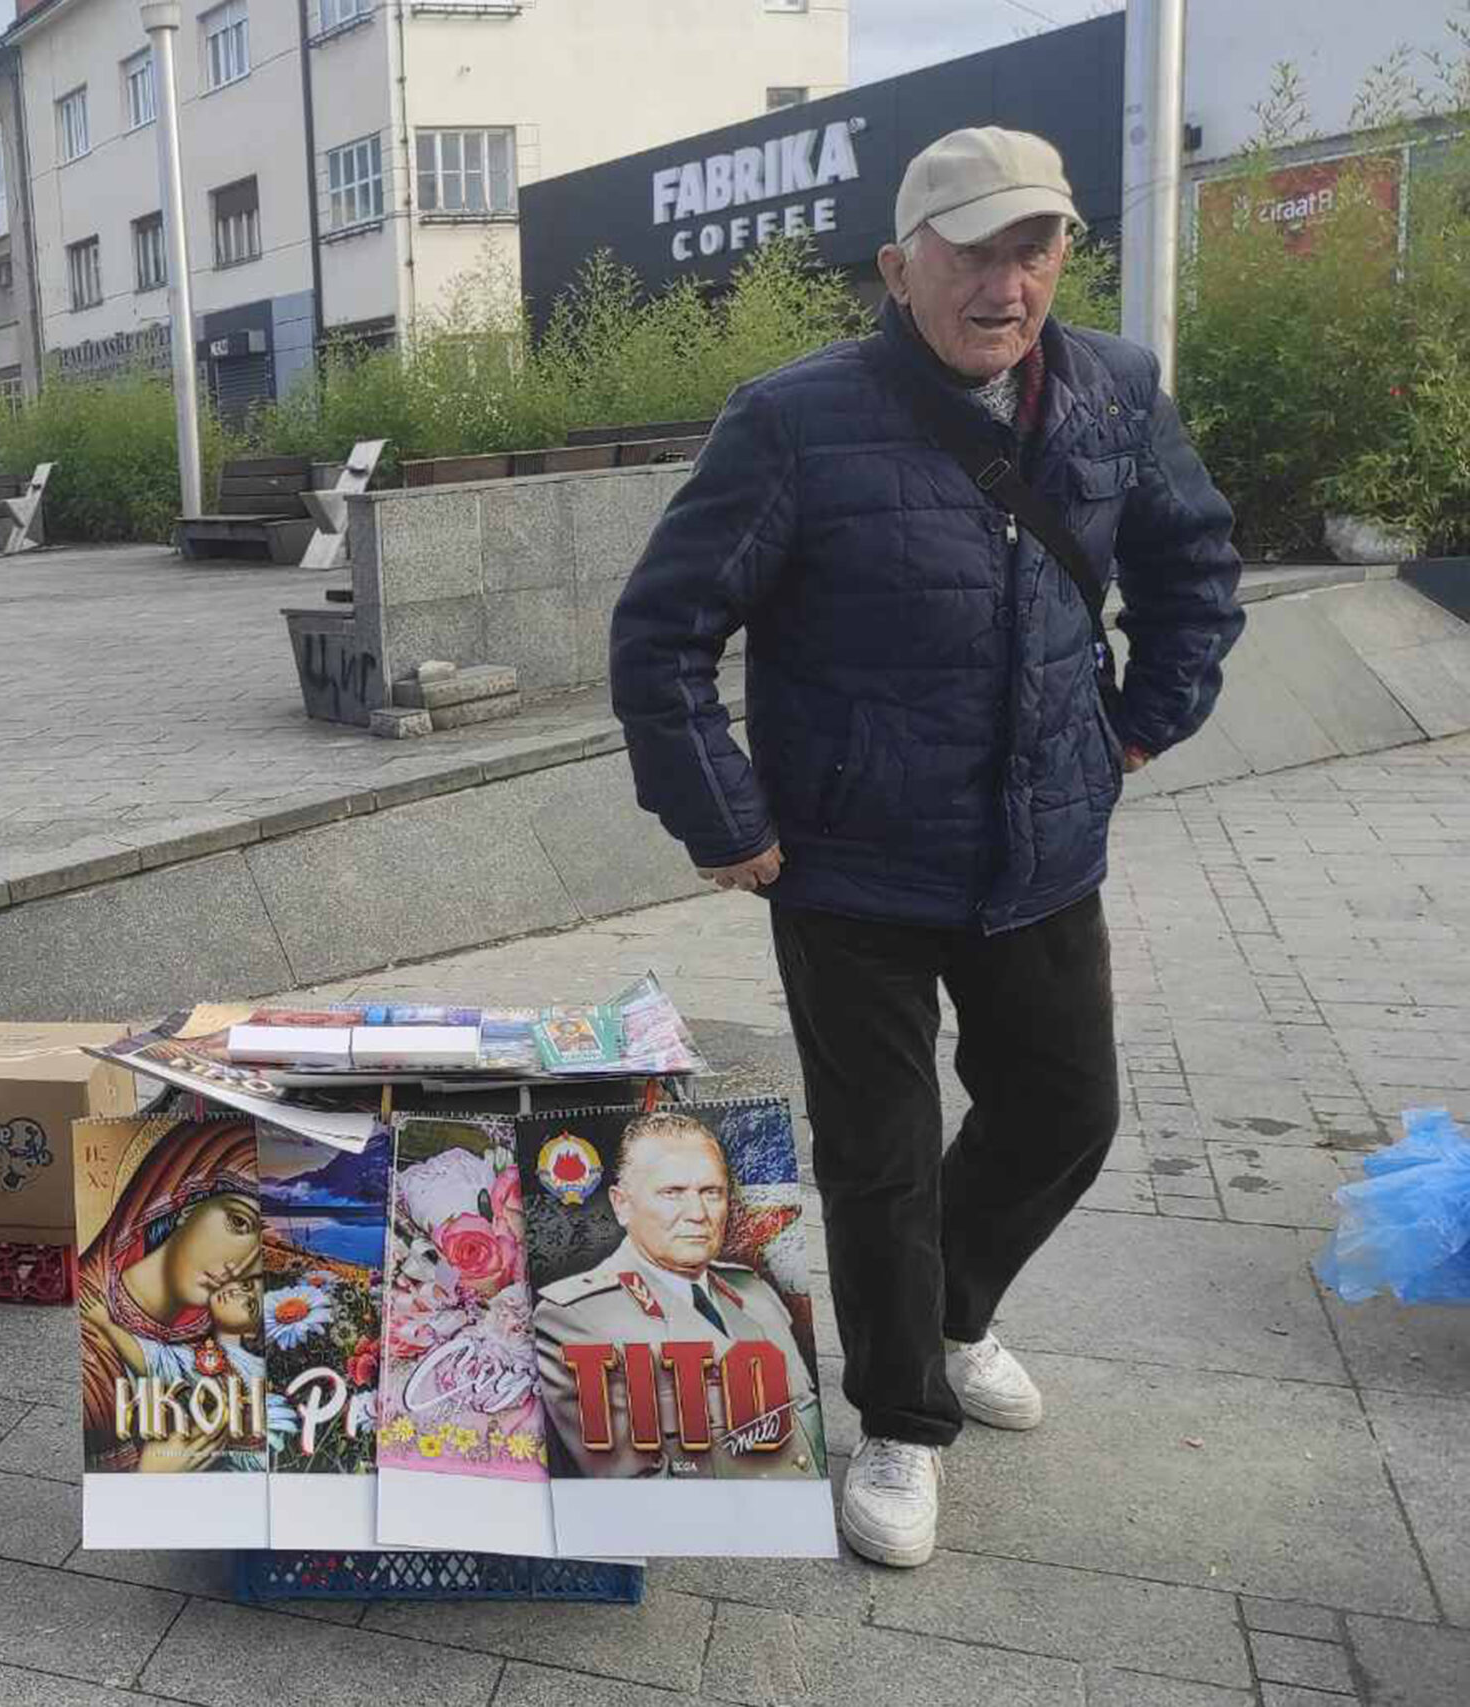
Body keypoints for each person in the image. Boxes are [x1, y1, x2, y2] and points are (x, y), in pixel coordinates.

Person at [609, 127, 1244, 1567]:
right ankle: (899, 1415)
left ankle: (949, 1314)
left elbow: (1195, 564)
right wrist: (729, 819)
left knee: (1065, 1114)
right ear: (901, 268)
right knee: (880, 1158)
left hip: (1042, 850)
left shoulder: (1113, 390)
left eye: (1035, 246)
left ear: (1064, 257)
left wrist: (1145, 720)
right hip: (851, 868)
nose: (1005, 281)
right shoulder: (792, 419)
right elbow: (660, 635)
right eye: (971, 249)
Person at [533, 1112, 825, 1480]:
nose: (698, 1214)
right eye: (672, 1193)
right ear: (622, 1205)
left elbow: (807, 1432)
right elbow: (641, 1494)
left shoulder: (754, 1293)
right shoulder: (577, 1319)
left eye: (711, 1193)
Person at [76, 1119, 265, 1473]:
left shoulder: (217, 1340)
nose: (240, 1267)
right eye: (239, 1223)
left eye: (260, 1255)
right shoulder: (92, 1337)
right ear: (186, 1202)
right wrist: (153, 1474)